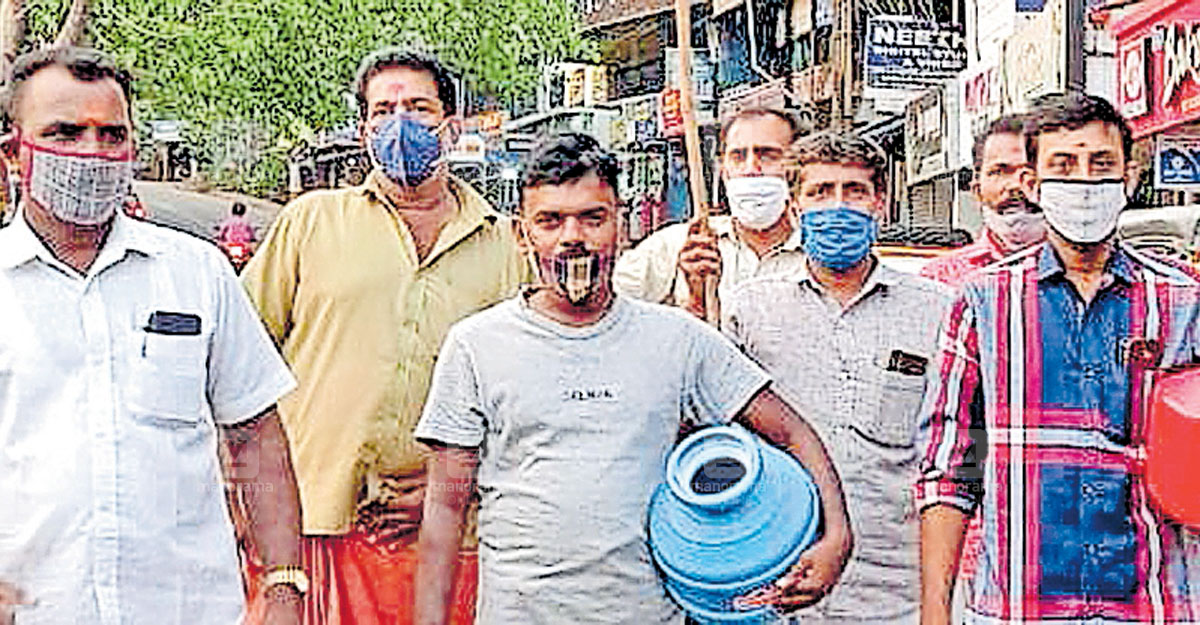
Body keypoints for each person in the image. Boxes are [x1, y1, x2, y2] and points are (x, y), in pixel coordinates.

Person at [411, 132, 853, 625]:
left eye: (592, 218)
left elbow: (792, 432)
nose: (572, 237)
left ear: (621, 225)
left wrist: (835, 534)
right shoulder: (475, 346)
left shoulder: (679, 340)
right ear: (522, 235)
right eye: (551, 221)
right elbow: (445, 513)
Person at [0, 47, 303, 625]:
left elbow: (257, 438)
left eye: (111, 135)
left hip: (188, 608)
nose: (92, 154)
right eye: (64, 133)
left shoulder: (198, 272)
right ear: (15, 154)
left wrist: (285, 585)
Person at [241, 47, 524, 624]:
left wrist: (451, 489)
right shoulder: (311, 221)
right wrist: (239, 490)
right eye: (383, 110)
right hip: (312, 523)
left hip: (444, 534)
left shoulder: (500, 245)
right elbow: (235, 363)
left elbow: (518, 396)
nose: (400, 123)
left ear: (452, 122)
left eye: (418, 107)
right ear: (364, 127)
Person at [917, 92, 1200, 625]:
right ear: (1033, 183)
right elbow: (949, 471)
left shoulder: (1185, 300)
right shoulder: (982, 301)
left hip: (1155, 604)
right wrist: (936, 613)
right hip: (1019, 607)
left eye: (1101, 165)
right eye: (1064, 165)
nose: (1085, 183)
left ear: (1129, 178)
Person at [725, 130, 952, 624]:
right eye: (820, 192)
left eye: (854, 191)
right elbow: (723, 433)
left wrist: (962, 546)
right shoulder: (750, 308)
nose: (838, 206)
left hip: (899, 589)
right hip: (782, 583)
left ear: (880, 205)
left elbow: (966, 441)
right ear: (795, 205)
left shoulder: (937, 310)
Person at [614, 107, 805, 319]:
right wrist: (693, 306)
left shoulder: (818, 254)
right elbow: (602, 311)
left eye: (768, 155)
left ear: (797, 167)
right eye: (738, 157)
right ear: (723, 170)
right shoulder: (679, 245)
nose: (751, 168)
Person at [920, 116, 1046, 287]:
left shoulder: (1084, 274)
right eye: (999, 172)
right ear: (977, 190)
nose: (1016, 185)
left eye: (1031, 170)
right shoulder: (940, 279)